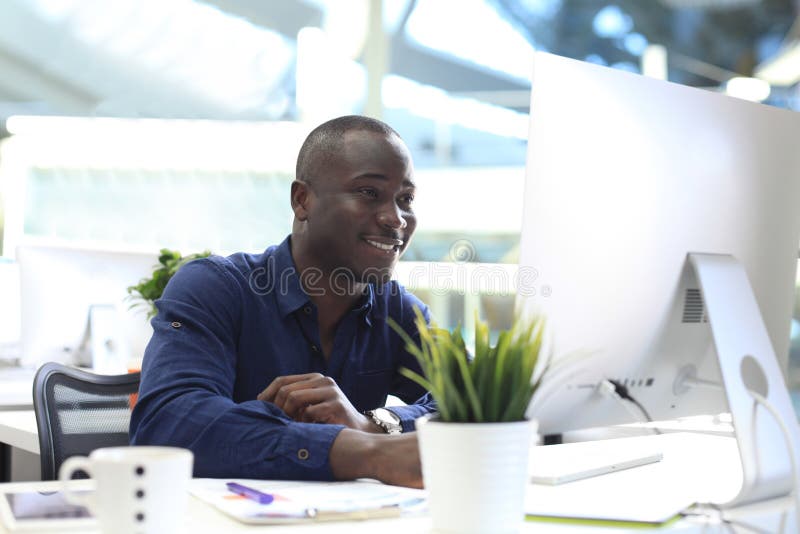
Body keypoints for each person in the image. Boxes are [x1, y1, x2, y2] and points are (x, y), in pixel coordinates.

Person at [129, 115, 435, 488]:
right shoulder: (217, 288)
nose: (395, 218)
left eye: (406, 199)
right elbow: (168, 424)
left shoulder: (397, 311)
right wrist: (364, 452)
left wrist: (374, 423)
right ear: (302, 200)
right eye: (369, 192)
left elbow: (488, 406)